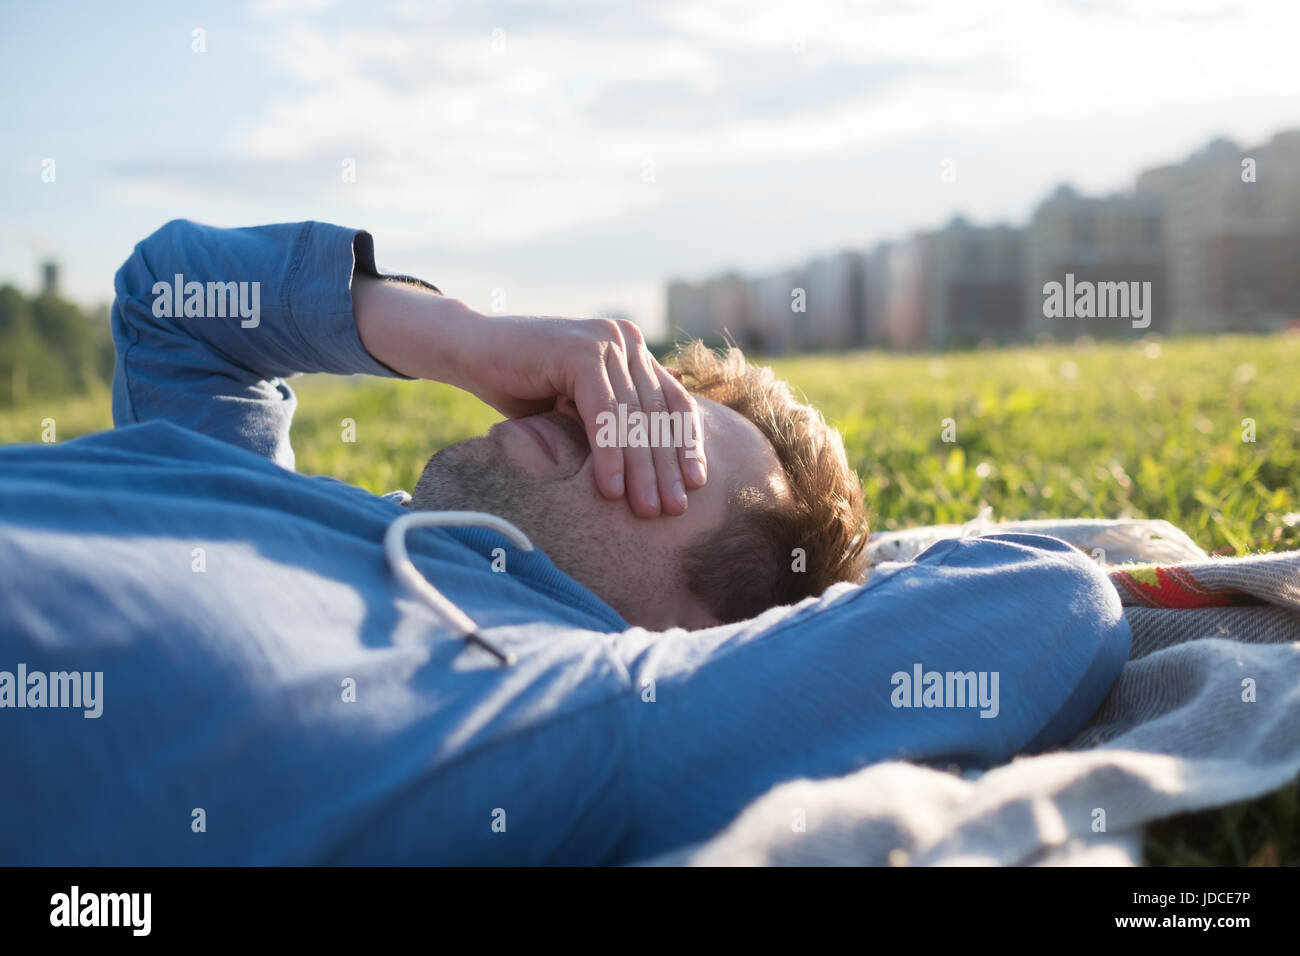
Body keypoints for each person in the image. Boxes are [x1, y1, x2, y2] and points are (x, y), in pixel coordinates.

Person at [0, 220, 1130, 864]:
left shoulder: (598, 702)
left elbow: (1047, 599)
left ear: (708, 632)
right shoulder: (277, 501)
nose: (596, 413)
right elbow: (171, 298)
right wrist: (462, 337)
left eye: (662, 445)